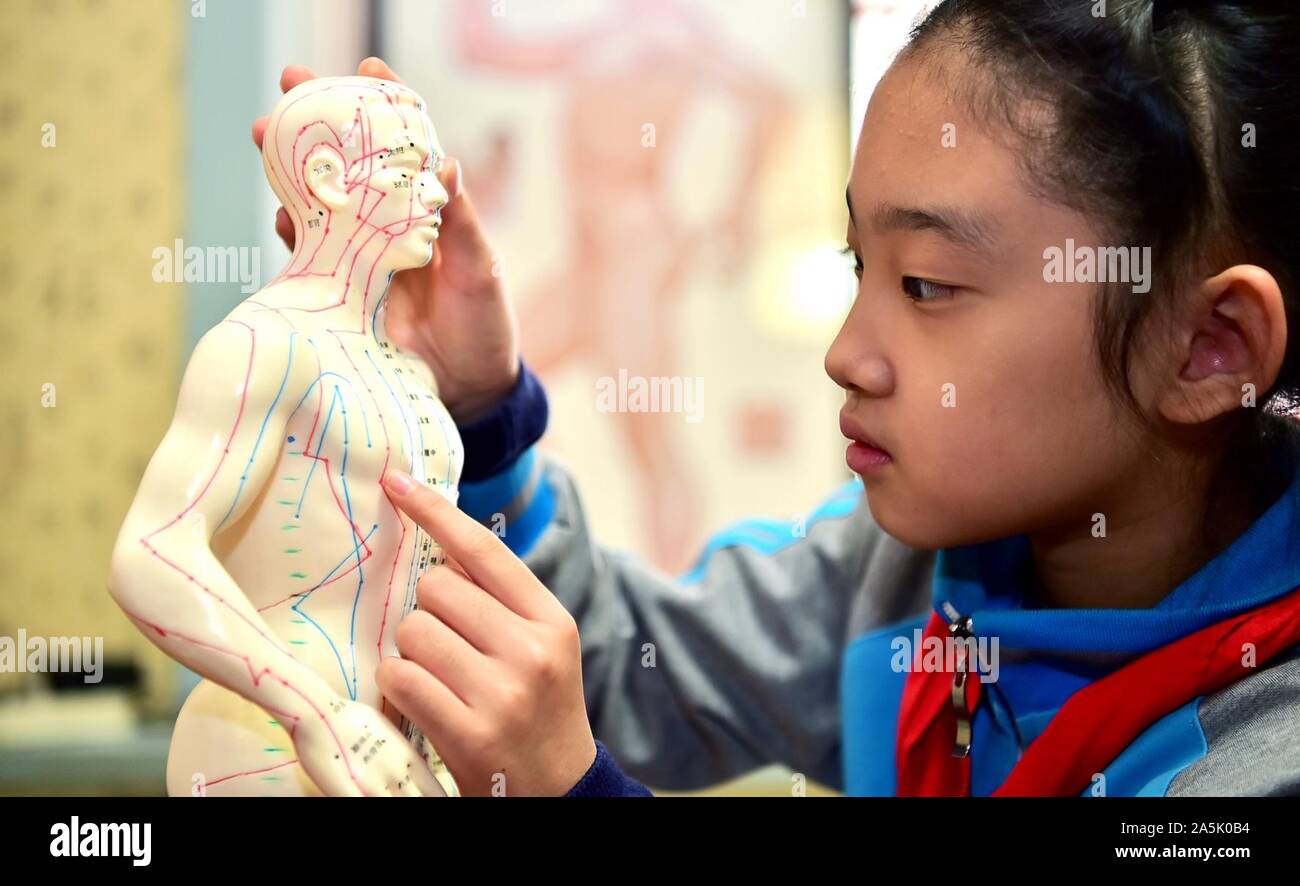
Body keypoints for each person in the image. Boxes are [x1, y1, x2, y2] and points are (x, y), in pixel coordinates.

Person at [253, 0, 1300, 797]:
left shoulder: (1263, 756)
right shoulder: (891, 582)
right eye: (860, 265)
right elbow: (616, 671)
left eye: (927, 284)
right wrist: (479, 405)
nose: (848, 353)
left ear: (1207, 349)